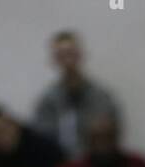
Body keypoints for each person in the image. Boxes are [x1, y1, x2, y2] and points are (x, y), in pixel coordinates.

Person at [32, 31, 120, 159]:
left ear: (80, 55)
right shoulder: (47, 102)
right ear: (54, 60)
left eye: (71, 54)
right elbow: (42, 139)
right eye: (61, 55)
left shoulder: (101, 97)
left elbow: (112, 134)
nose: (68, 60)